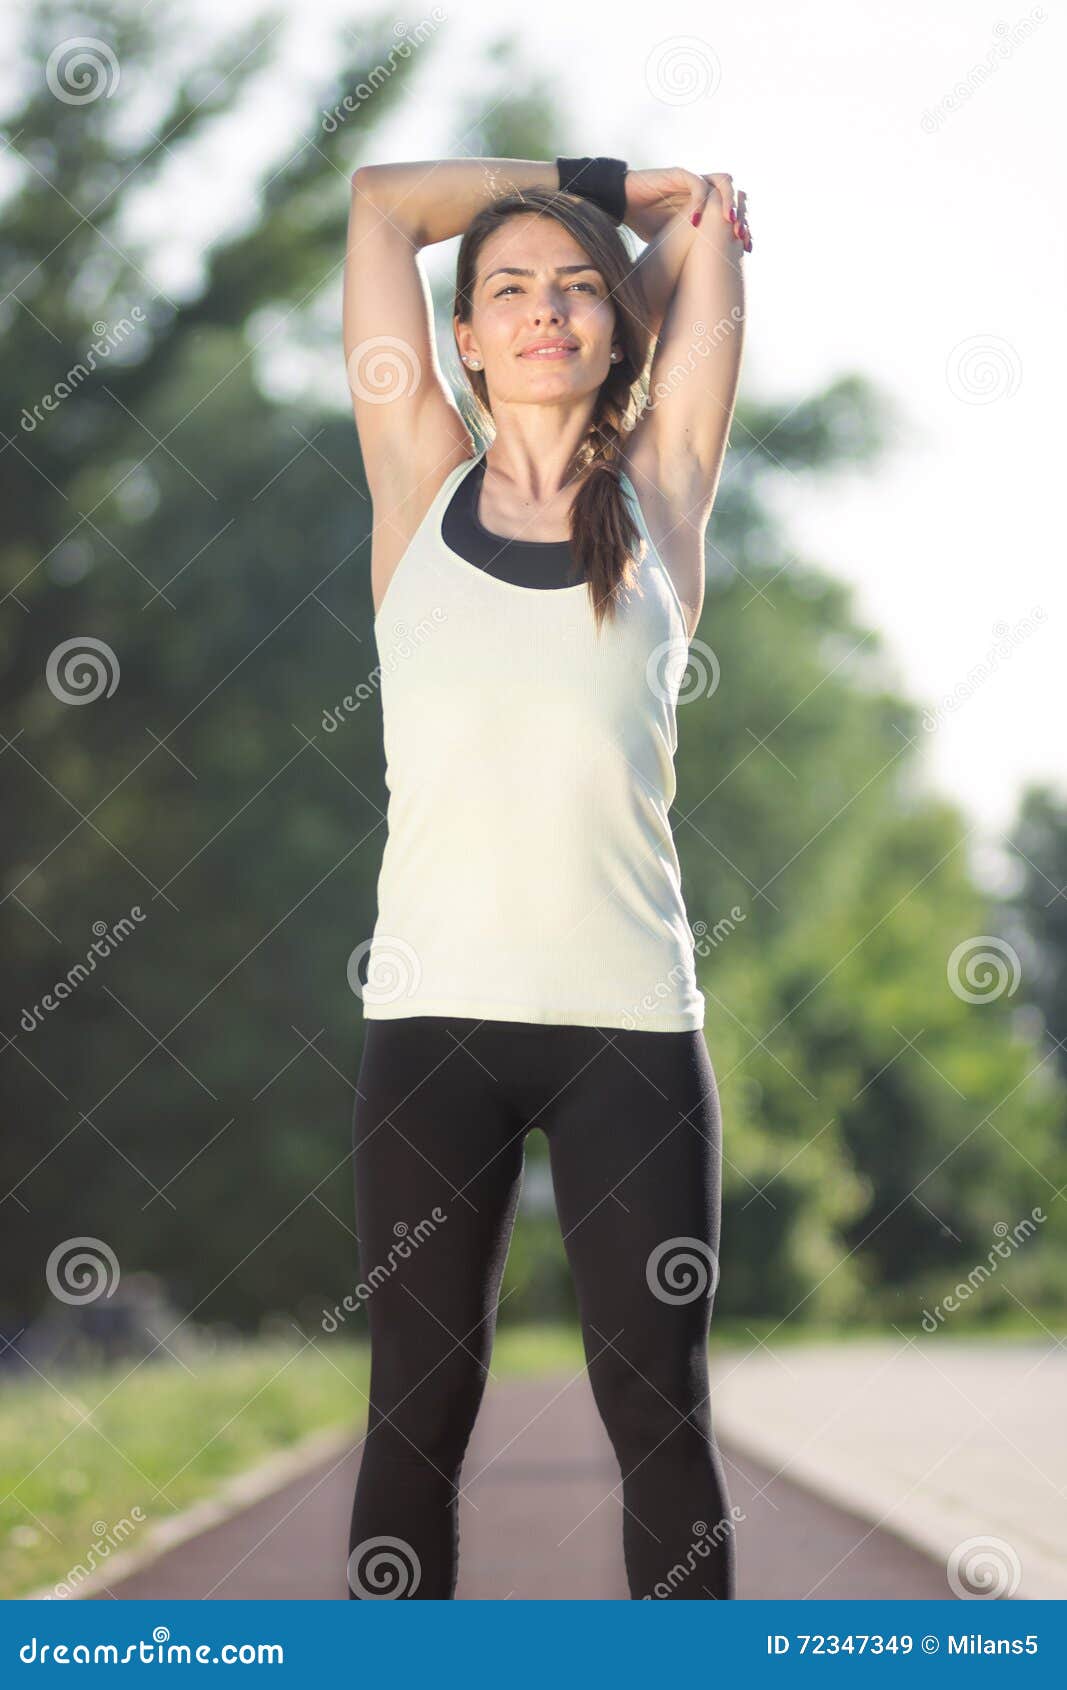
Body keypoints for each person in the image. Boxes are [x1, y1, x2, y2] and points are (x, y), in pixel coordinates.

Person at [341, 154, 749, 1600]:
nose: (543, 310)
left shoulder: (663, 498)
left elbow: (706, 227)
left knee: (659, 1411)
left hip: (630, 1031)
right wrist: (598, 188)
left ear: (619, 326)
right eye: (506, 289)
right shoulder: (414, 477)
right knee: (415, 1416)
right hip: (433, 1026)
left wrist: (678, 217)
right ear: (459, 338)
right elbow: (384, 200)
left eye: (578, 288)